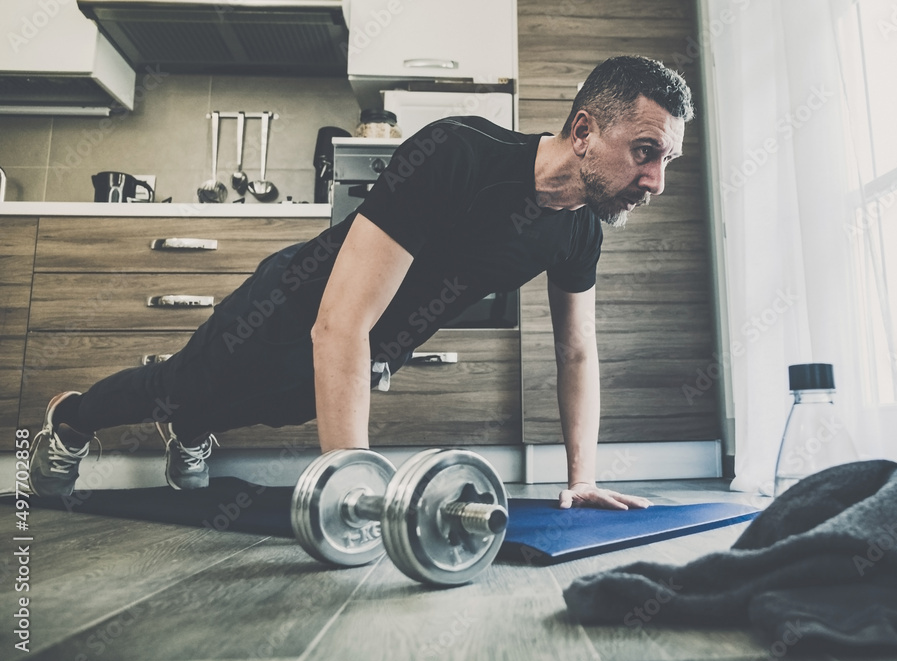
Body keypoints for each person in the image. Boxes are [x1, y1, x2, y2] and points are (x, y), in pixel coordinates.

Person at [28, 55, 693, 510]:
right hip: (292, 304)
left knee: (281, 407)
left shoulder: (580, 228)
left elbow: (577, 352)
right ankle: (72, 418)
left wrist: (581, 480)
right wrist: (353, 485)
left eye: (667, 160)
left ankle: (193, 426)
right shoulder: (460, 152)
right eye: (645, 151)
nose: (656, 182)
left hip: (374, 342)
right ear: (583, 131)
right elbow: (338, 321)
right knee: (176, 385)